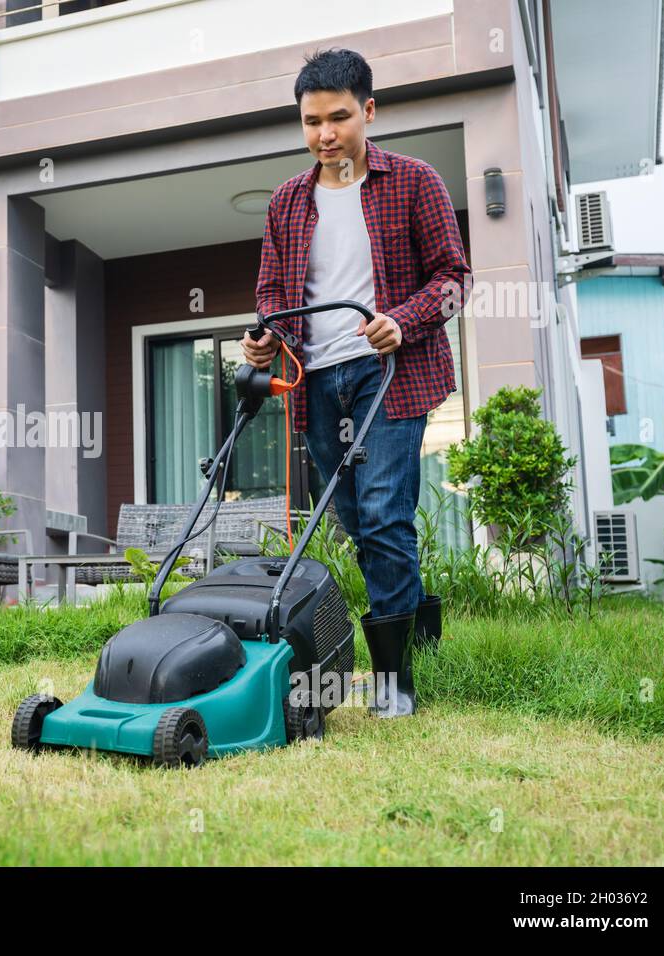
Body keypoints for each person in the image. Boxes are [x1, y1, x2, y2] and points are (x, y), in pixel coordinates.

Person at [242, 48, 472, 718]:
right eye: (312, 121)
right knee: (352, 520)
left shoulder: (414, 181)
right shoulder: (287, 202)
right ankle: (419, 635)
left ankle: (395, 685)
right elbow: (271, 295)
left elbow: (456, 281)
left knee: (382, 514)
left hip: (390, 374)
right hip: (318, 383)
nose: (325, 134)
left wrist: (404, 321)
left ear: (368, 111)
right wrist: (265, 340)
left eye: (339, 117)